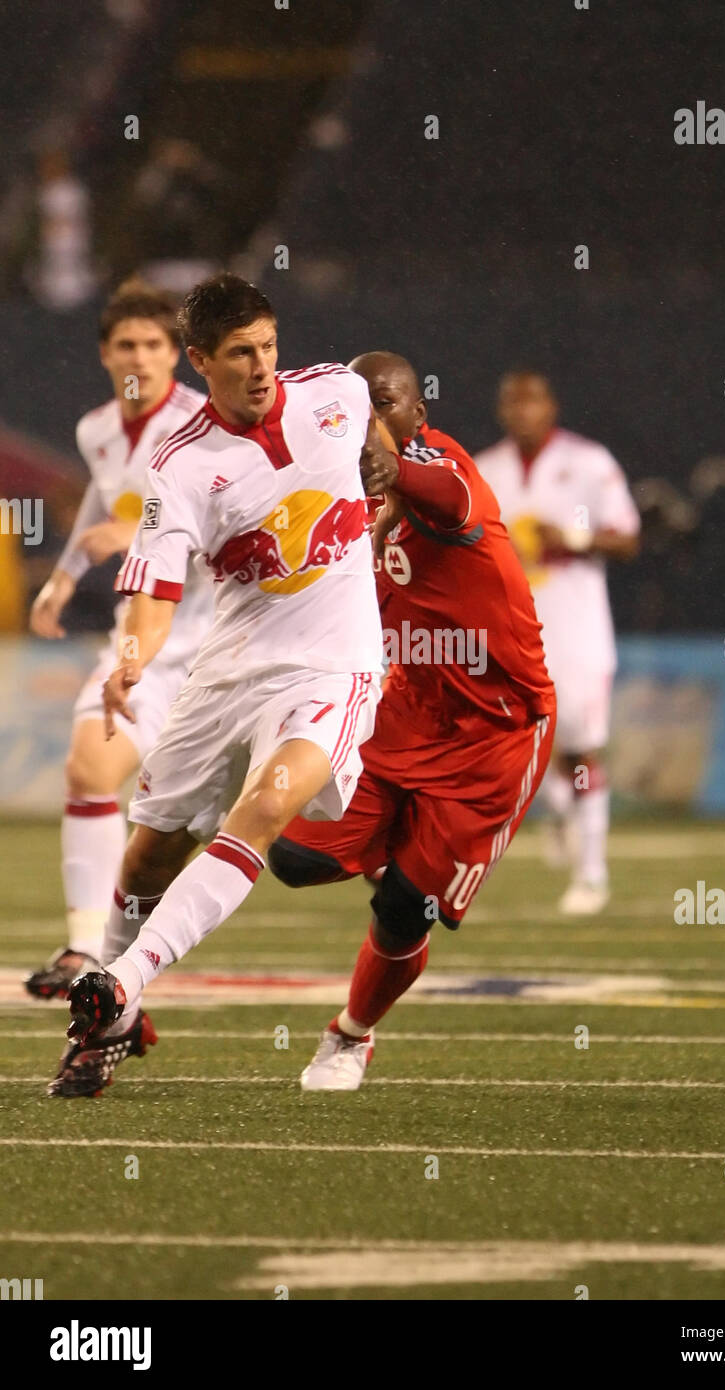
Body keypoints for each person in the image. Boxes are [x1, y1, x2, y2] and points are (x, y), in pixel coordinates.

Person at [49, 272, 383, 1098]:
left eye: (269, 345)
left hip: (330, 667)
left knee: (266, 809)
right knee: (150, 853)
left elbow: (387, 429)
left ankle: (119, 987)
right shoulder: (182, 467)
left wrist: (397, 489)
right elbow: (158, 594)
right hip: (226, 670)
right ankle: (115, 1024)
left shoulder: (337, 394)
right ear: (201, 361)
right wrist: (132, 657)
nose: (262, 366)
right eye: (240, 354)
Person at [268, 352, 556, 1091]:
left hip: (493, 730)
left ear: (416, 415)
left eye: (383, 404)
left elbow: (446, 493)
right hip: (402, 715)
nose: (367, 419)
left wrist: (390, 467)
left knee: (406, 907)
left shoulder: (444, 465)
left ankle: (349, 1036)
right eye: (352, 406)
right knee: (294, 861)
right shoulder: (344, 500)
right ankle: (395, 843)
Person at [26, 280, 209, 998]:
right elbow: (105, 504)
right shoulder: (97, 428)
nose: (140, 355)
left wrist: (131, 533)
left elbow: (220, 522)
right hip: (142, 634)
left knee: (270, 826)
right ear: (106, 353)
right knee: (89, 772)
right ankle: (84, 952)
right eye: (126, 343)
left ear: (176, 356)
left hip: (218, 638)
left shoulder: (203, 426)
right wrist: (64, 577)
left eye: (154, 344)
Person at [476, 371, 640, 915]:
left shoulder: (590, 462)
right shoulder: (485, 469)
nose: (523, 411)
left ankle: (592, 874)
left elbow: (627, 538)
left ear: (551, 405)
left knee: (582, 746)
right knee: (527, 745)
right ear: (502, 411)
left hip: (577, 628)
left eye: (533, 401)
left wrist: (569, 536)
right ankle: (559, 811)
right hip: (511, 628)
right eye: (513, 402)